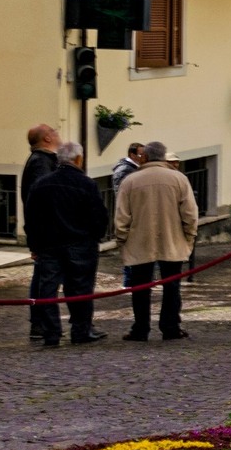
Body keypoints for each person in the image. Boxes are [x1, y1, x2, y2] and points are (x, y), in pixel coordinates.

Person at [24, 142, 108, 347]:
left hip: (49, 246)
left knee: (48, 289)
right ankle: (80, 330)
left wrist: (34, 245)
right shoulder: (86, 184)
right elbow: (99, 217)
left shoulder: (41, 185)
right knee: (80, 289)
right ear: (78, 159)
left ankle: (51, 333)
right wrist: (95, 237)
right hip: (80, 245)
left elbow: (31, 218)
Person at [113, 141, 198, 342]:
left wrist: (121, 239)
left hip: (139, 241)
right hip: (172, 239)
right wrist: (189, 236)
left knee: (140, 288)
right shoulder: (179, 179)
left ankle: (140, 328)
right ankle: (170, 327)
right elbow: (190, 214)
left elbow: (122, 216)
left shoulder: (131, 181)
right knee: (172, 286)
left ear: (145, 157)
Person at [20, 124, 61, 203]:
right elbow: (44, 193)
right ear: (47, 138)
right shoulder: (41, 162)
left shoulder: (42, 159)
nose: (57, 134)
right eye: (53, 131)